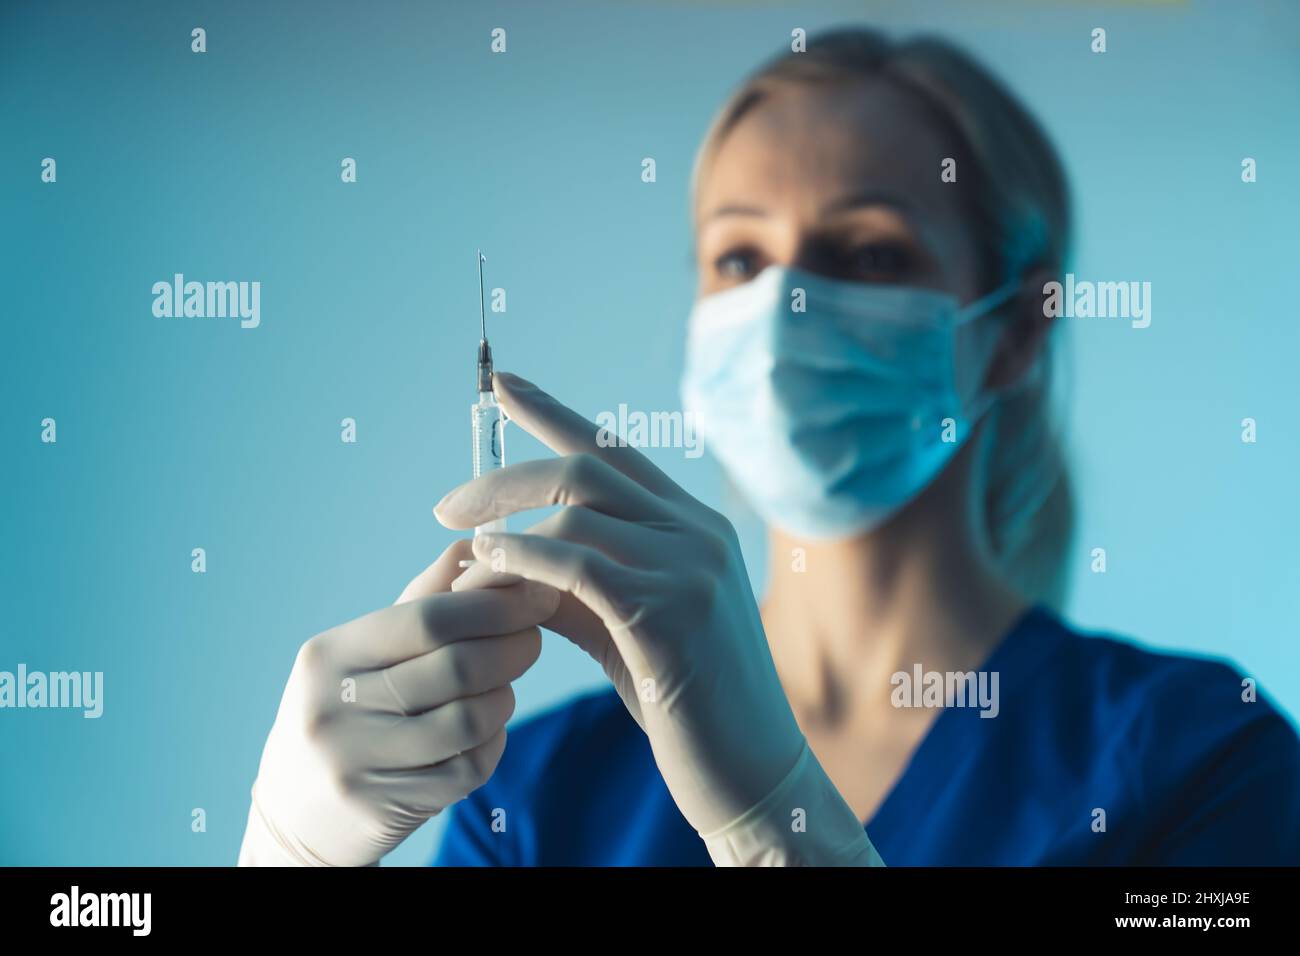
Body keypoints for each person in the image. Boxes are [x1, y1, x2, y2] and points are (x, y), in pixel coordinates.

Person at [238, 28, 1300, 867]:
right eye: (740, 257)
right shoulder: (538, 796)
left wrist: (773, 822)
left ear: (1018, 327)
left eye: (868, 253)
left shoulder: (1202, 760)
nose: (785, 310)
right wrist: (289, 852)